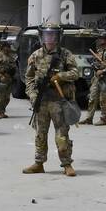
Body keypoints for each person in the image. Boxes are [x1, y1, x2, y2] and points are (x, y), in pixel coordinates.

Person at [22, 24, 80, 176]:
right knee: (40, 134)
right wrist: (32, 95)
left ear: (58, 36)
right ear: (42, 36)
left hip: (58, 101)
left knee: (62, 135)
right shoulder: (35, 55)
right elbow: (28, 78)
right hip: (41, 102)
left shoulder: (65, 54)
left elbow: (75, 73)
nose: (50, 38)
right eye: (47, 34)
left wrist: (61, 76)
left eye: (53, 35)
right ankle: (39, 163)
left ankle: (67, 164)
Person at [81, 33, 106, 126]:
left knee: (104, 99)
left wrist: (103, 71)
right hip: (97, 78)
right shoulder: (99, 50)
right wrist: (95, 65)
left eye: (101, 39)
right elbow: (98, 63)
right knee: (92, 98)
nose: (99, 41)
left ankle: (103, 119)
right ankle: (89, 118)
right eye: (99, 39)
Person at [0, 37, 17, 118]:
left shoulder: (10, 56)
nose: (9, 48)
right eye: (7, 46)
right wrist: (0, 76)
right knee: (0, 96)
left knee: (6, 98)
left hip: (9, 78)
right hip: (1, 78)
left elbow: (13, 66)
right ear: (3, 47)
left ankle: (2, 111)